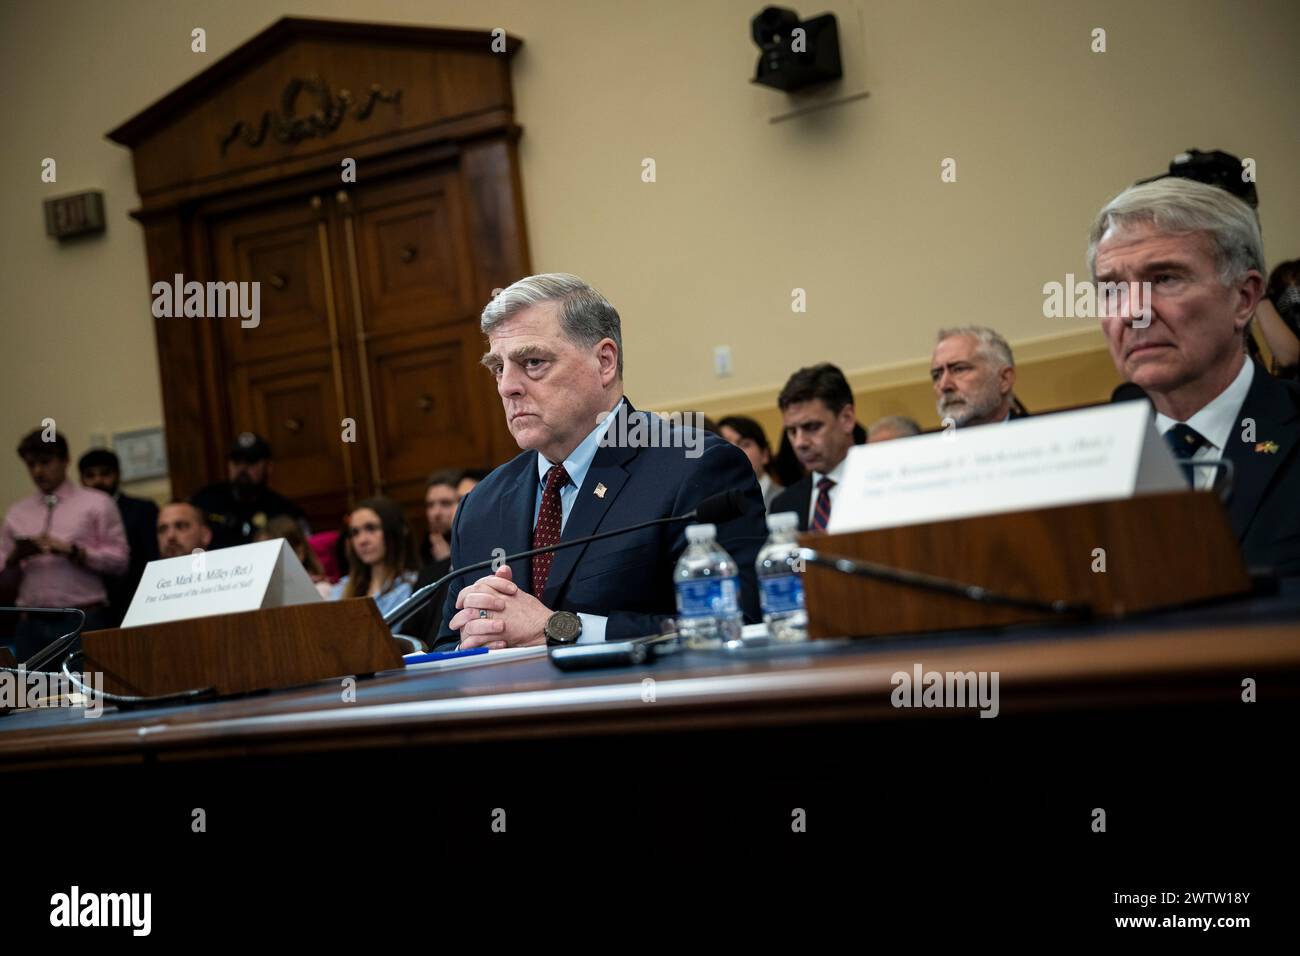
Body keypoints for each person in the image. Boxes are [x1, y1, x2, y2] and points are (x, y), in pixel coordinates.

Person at [432, 273, 765, 651]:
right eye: (498, 367)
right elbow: (446, 645)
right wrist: (472, 643)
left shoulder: (697, 468)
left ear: (605, 362)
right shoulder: (480, 507)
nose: (508, 386)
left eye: (533, 361)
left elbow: (741, 623)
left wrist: (561, 628)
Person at [1089, 176, 1300, 576]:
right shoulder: (1083, 466)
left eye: (1165, 279)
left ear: (1244, 298)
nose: (1133, 311)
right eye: (1112, 290)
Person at [0, 430, 128, 659]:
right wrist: (14, 558)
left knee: (90, 693)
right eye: (31, 464)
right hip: (31, 625)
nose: (38, 471)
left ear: (66, 460)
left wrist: (74, 552)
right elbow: (3, 573)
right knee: (25, 695)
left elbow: (120, 561)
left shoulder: (97, 503)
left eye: (45, 462)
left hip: (82, 619)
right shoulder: (16, 513)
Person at [769, 364, 858, 533]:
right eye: (792, 431)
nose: (799, 443)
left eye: (812, 427)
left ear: (847, 419)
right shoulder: (783, 505)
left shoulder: (881, 485)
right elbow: (796, 561)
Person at [78, 448, 159, 625]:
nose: (98, 480)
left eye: (105, 474)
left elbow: (152, 558)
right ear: (81, 479)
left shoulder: (142, 509)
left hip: (135, 599)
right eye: (90, 475)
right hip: (91, 605)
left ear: (118, 474)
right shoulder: (76, 516)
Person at [191, 432, 308, 550]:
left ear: (268, 466)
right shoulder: (206, 501)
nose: (242, 468)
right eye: (236, 461)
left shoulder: (283, 510)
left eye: (251, 461)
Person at [329, 497, 418, 618]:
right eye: (355, 533)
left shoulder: (412, 585)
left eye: (371, 528)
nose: (362, 540)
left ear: (393, 531)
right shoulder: (342, 588)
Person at [930, 327, 1025, 428]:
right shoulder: (925, 443)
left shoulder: (1039, 437)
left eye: (959, 369)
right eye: (937, 376)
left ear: (1004, 379)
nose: (944, 385)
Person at [253, 514, 330, 597]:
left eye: (271, 554)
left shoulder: (319, 589)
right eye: (260, 555)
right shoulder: (257, 591)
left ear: (299, 553)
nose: (264, 562)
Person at [717, 415, 782, 507]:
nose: (734, 452)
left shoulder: (790, 498)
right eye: (725, 445)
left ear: (765, 454)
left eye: (744, 444)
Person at [419, 469, 462, 565]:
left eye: (445, 503)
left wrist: (447, 560)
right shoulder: (425, 545)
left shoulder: (473, 541)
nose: (435, 513)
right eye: (430, 505)